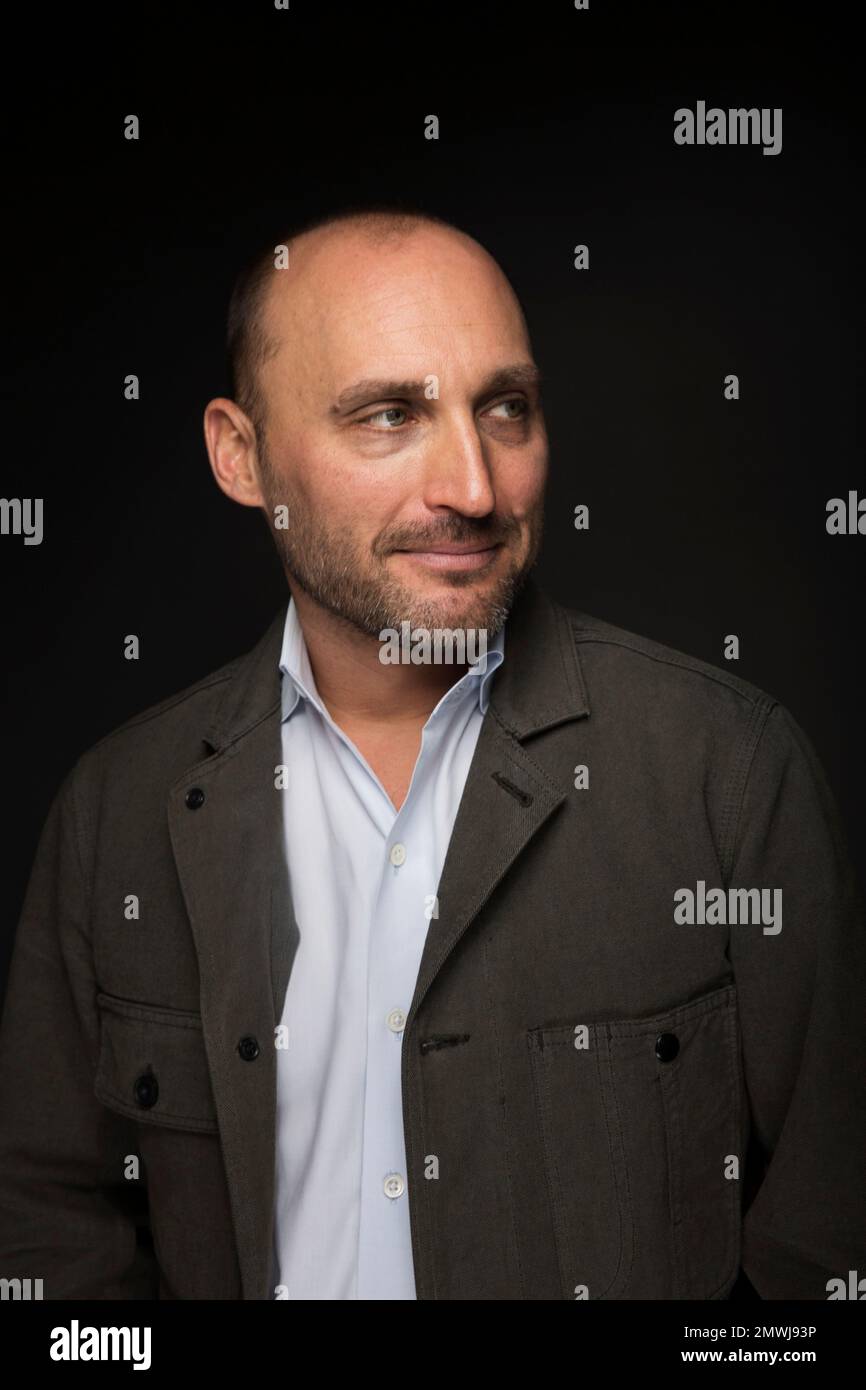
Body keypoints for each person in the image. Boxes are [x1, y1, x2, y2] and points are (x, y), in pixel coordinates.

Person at [1, 205, 863, 1300]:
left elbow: (826, 1259)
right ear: (240, 455)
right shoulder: (117, 809)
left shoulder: (728, 778)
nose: (473, 486)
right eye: (387, 415)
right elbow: (50, 1235)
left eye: (504, 407)